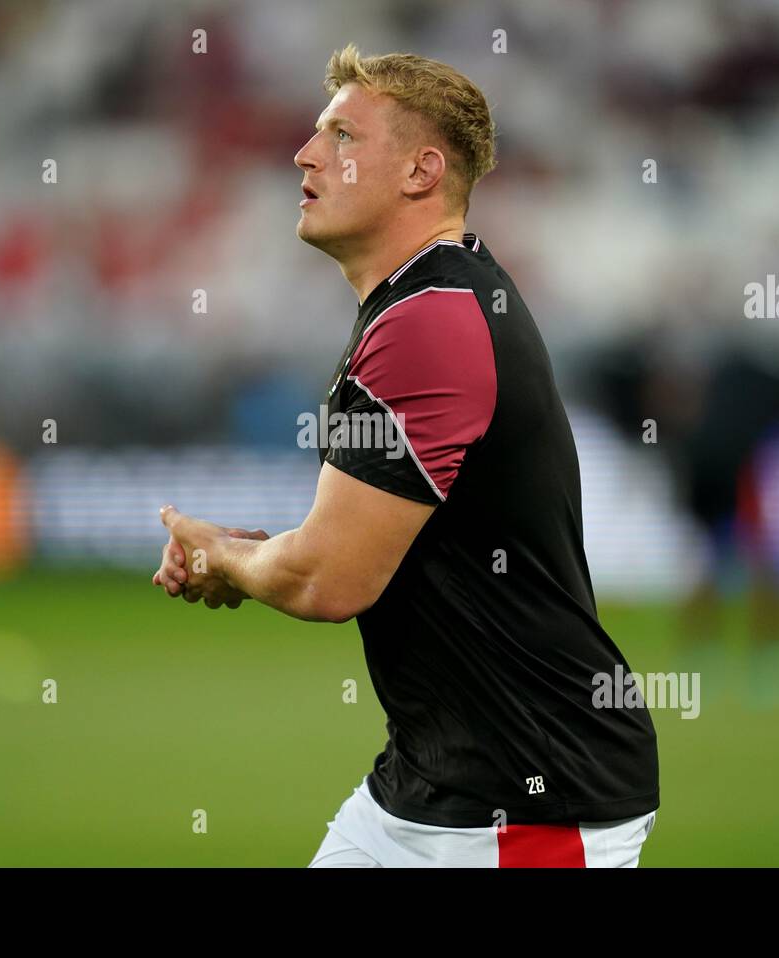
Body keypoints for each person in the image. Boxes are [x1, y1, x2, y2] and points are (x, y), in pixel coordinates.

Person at [152, 43, 658, 867]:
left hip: (524, 804)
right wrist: (245, 553)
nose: (305, 153)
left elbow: (327, 581)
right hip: (425, 790)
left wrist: (230, 558)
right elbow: (366, 539)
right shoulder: (427, 301)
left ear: (422, 173)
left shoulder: (430, 320)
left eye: (343, 136)